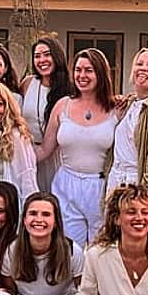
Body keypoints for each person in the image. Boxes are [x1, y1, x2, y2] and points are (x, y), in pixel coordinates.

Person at [37, 48, 117, 247]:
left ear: (100, 73)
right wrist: (14, 150)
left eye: (88, 70)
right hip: (66, 184)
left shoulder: (117, 108)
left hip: (101, 187)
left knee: (101, 249)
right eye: (78, 70)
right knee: (70, 248)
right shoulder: (63, 105)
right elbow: (45, 149)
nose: (82, 76)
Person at [107, 47, 148, 234]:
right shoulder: (130, 104)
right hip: (117, 181)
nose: (143, 68)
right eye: (139, 63)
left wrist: (144, 198)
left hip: (137, 184)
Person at [21, 36, 70, 190]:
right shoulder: (27, 83)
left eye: (47, 54)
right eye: (37, 56)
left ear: (57, 56)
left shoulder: (69, 88)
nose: (42, 60)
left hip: (56, 156)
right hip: (28, 154)